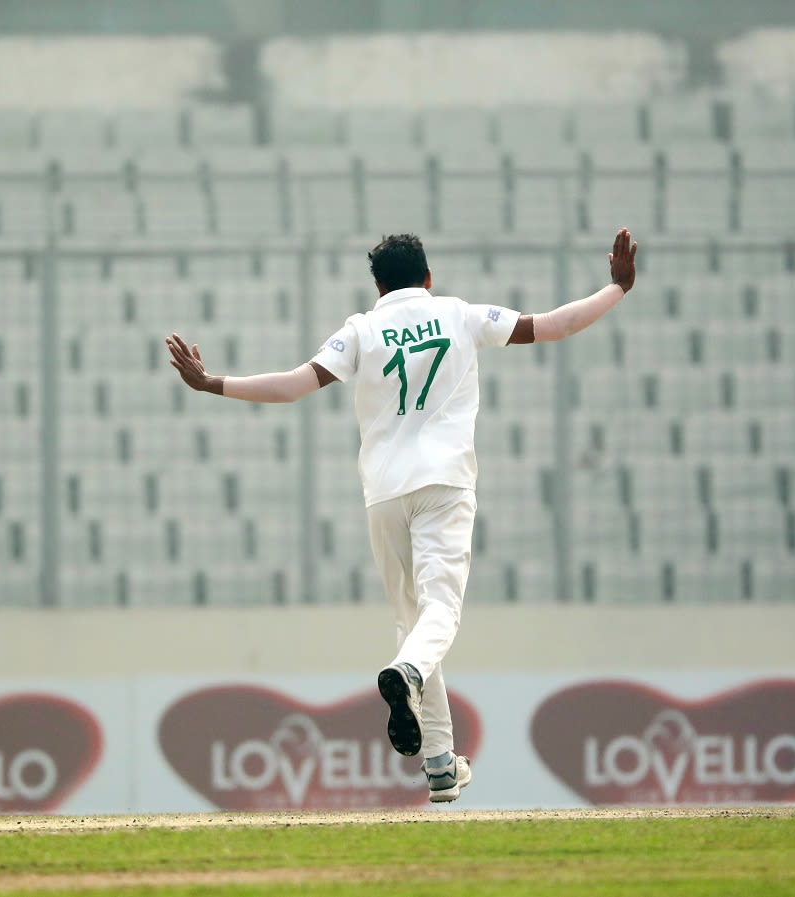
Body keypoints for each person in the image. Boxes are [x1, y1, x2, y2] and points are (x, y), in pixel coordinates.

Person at [167, 227, 638, 803]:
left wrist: (213, 383)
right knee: (438, 613)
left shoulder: (360, 331)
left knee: (414, 623)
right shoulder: (460, 315)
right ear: (428, 278)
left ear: (377, 286)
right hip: (443, 484)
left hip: (384, 492)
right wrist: (616, 288)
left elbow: (293, 387)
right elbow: (553, 325)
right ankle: (408, 675)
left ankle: (440, 763)